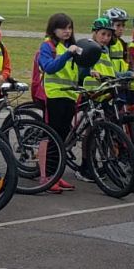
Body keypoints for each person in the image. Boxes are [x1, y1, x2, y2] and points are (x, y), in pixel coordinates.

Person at [36, 13, 82, 193]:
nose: (67, 31)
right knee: (52, 137)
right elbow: (49, 67)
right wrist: (66, 56)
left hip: (69, 96)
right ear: (53, 29)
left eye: (70, 28)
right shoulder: (47, 46)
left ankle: (57, 174)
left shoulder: (70, 46)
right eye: (63, 28)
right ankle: (46, 177)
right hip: (53, 96)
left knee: (62, 138)